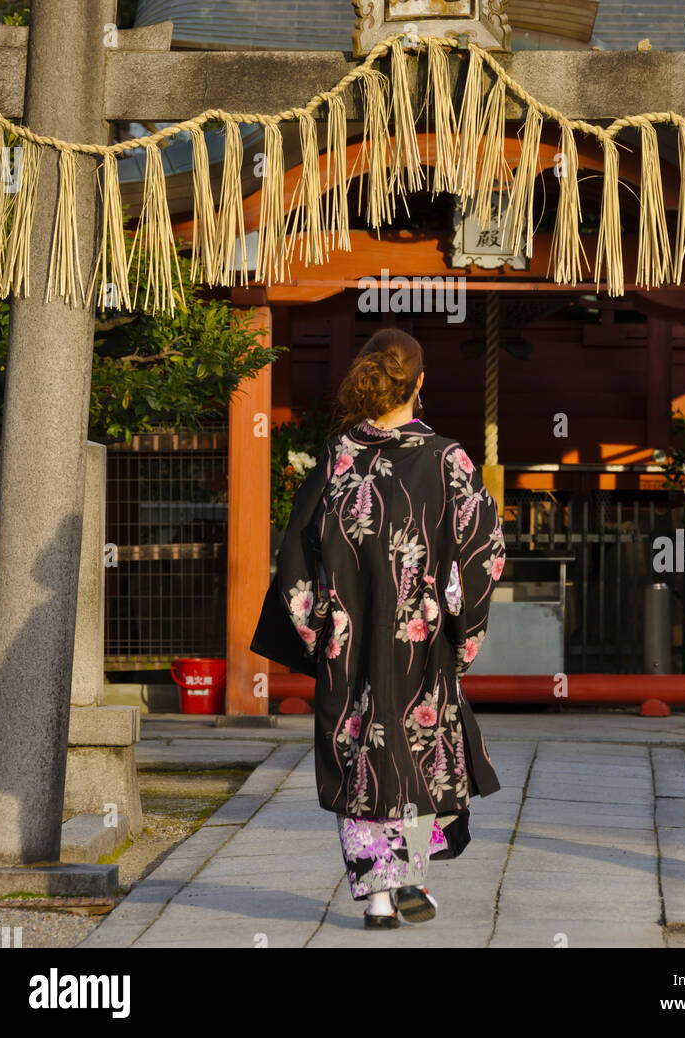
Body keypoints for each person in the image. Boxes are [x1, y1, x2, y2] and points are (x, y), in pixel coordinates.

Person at [251, 327, 505, 930]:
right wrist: (461, 630)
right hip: (419, 638)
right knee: (417, 750)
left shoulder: (339, 455)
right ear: (420, 383)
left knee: (360, 755)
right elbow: (483, 550)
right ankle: (411, 875)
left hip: (350, 640)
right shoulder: (448, 459)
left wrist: (320, 630)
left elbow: (294, 553)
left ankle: (378, 896)